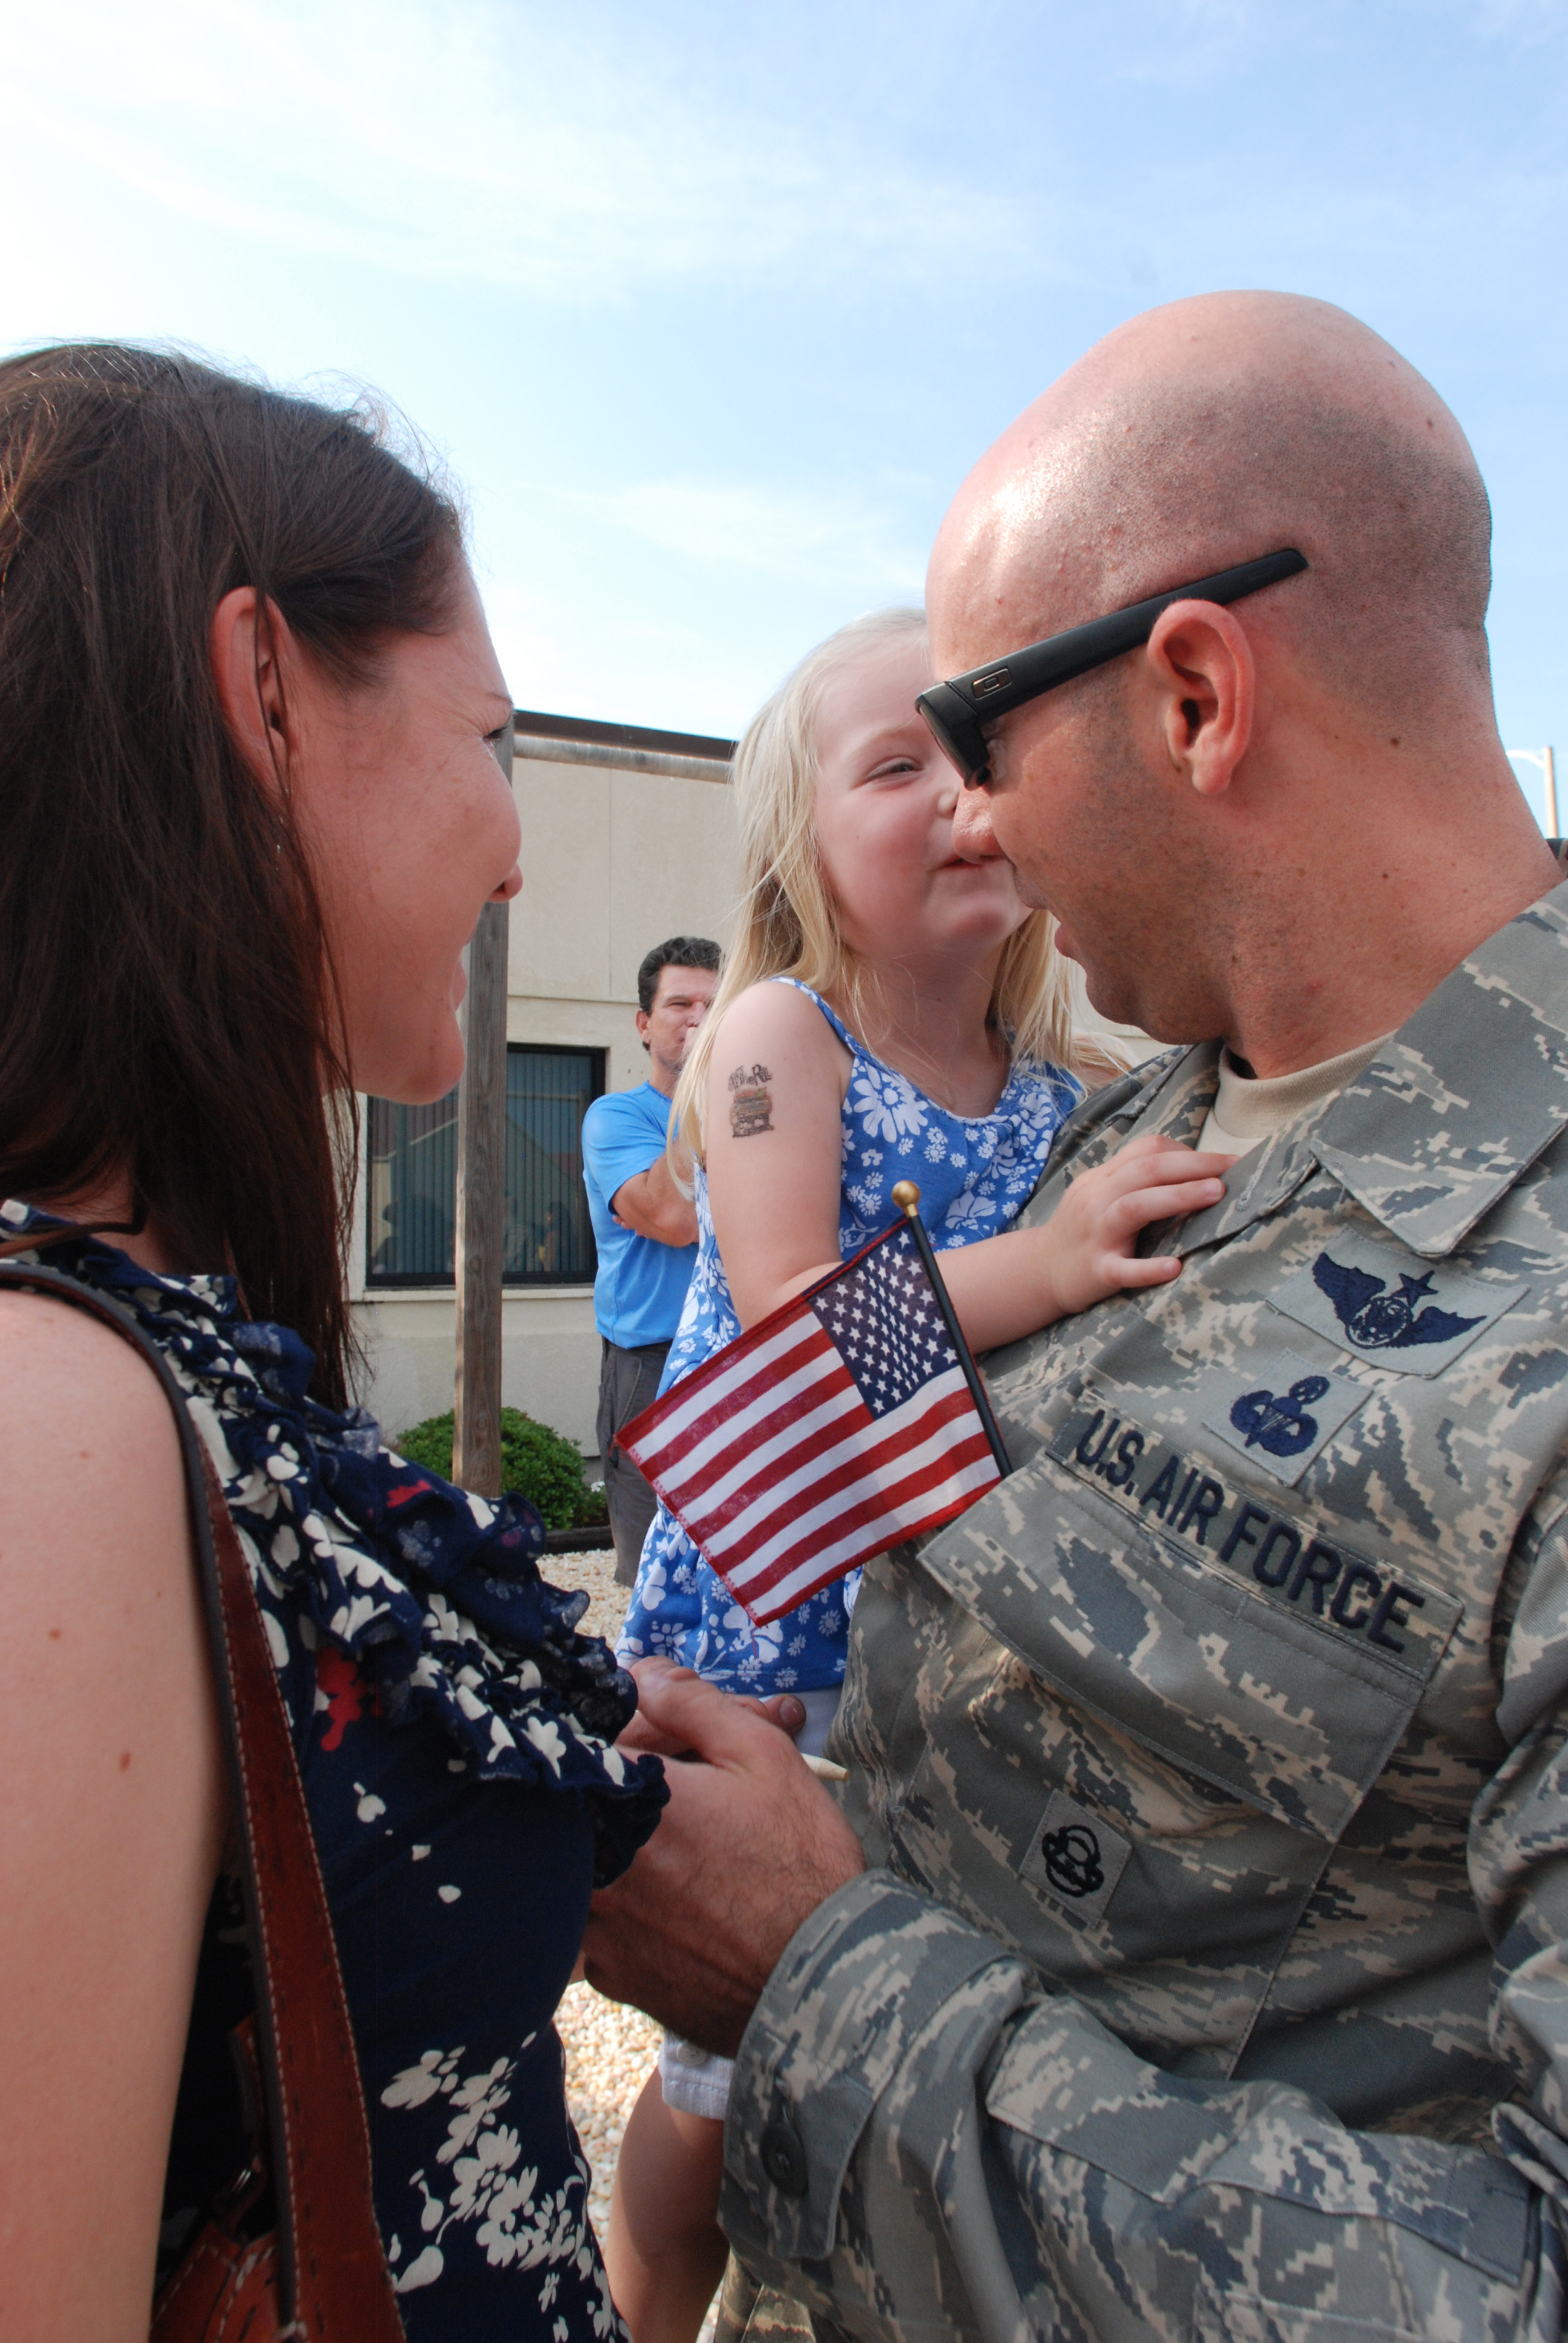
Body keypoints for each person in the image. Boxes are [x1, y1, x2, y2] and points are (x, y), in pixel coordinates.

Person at [585, 290, 1568, 2343]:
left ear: (1194, 699)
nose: (977, 820)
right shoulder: (1124, 1126)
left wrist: (808, 1966)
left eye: (981, 738)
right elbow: (820, 1436)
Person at [0, 344, 672, 2339]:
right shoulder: (57, 1416)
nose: (517, 844)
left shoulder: (147, 1345)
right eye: (493, 736)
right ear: (264, 689)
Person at [606, 607, 1234, 2343]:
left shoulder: (1060, 1099)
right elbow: (796, 1327)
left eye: (981, 757)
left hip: (958, 1638)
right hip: (783, 1629)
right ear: (802, 848)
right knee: (727, 2056)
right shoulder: (774, 1042)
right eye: (898, 768)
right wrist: (1047, 1266)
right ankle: (649, 2308)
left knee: (908, 2014)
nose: (959, 797)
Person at [583, 938, 720, 1584]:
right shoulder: (615, 1118)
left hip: (734, 1347)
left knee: (731, 1547)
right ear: (643, 1022)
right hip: (650, 1359)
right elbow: (675, 1218)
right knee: (649, 1565)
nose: (698, 1017)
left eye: (715, 1005)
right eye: (680, 1003)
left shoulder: (749, 1114)